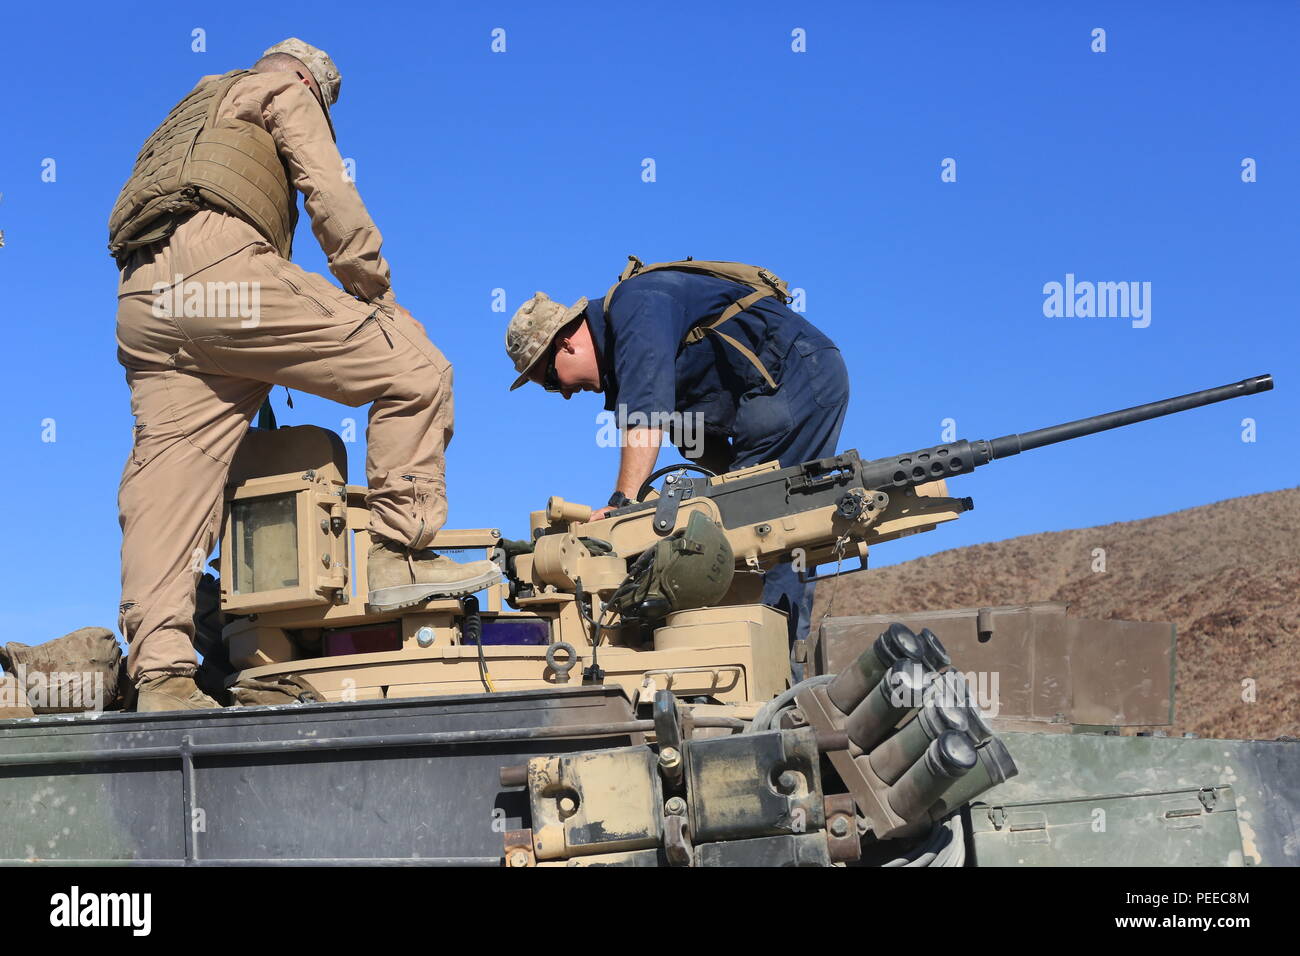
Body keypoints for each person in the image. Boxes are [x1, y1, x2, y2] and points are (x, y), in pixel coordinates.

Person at [110, 39, 498, 712]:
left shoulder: (190, 110)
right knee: (418, 369)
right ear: (310, 82)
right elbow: (330, 194)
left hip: (144, 301)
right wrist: (377, 295)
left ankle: (164, 676)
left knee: (167, 488)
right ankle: (399, 553)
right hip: (220, 276)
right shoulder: (282, 88)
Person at [504, 260, 849, 659]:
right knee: (732, 526)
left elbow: (645, 414)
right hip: (763, 403)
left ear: (565, 343)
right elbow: (692, 436)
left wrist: (622, 507)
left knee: (765, 530)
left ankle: (774, 668)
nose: (562, 393)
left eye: (550, 380)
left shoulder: (636, 308)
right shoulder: (625, 335)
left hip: (794, 378)